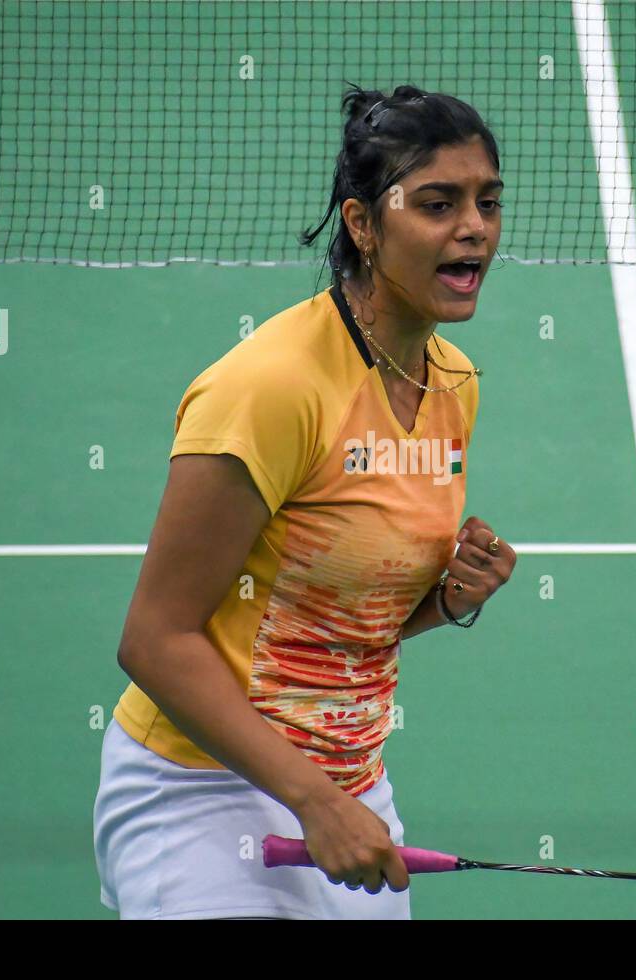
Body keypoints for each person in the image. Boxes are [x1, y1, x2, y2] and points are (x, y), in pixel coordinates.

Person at [93, 84, 518, 919]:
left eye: (488, 201)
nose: (474, 226)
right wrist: (313, 800)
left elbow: (335, 617)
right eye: (438, 204)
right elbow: (154, 638)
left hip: (348, 781)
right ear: (363, 225)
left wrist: (447, 599)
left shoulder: (454, 385)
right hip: (199, 785)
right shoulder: (271, 388)